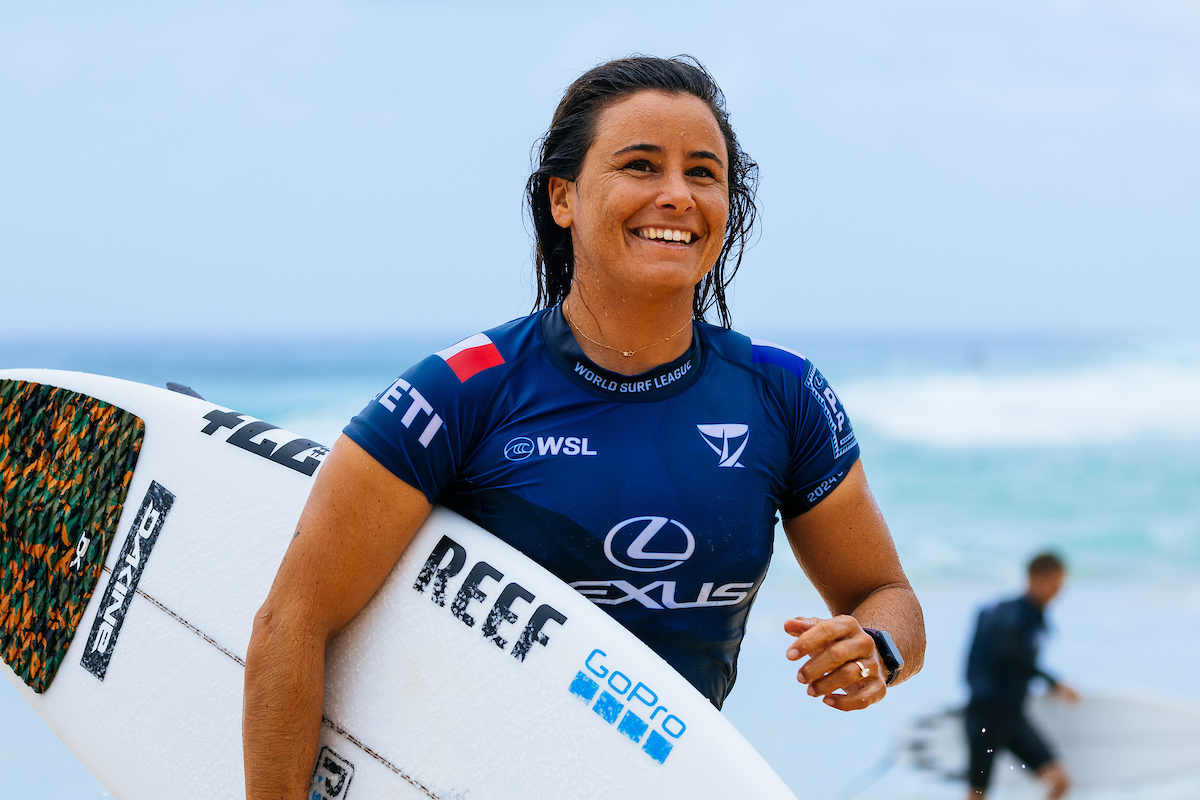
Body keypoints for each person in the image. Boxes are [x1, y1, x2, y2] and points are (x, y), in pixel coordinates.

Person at [242, 55, 925, 797]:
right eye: (640, 165)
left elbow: (885, 593)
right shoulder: (464, 392)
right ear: (563, 199)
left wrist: (876, 647)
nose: (676, 195)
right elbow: (295, 621)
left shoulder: (781, 393)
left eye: (703, 173)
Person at [964, 552, 1080, 799]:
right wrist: (1054, 683)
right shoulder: (1016, 616)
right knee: (977, 794)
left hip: (1012, 717)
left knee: (1060, 780)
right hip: (987, 717)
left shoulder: (1025, 614)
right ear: (1037, 579)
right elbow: (1010, 652)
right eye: (1056, 584)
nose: (1058, 592)